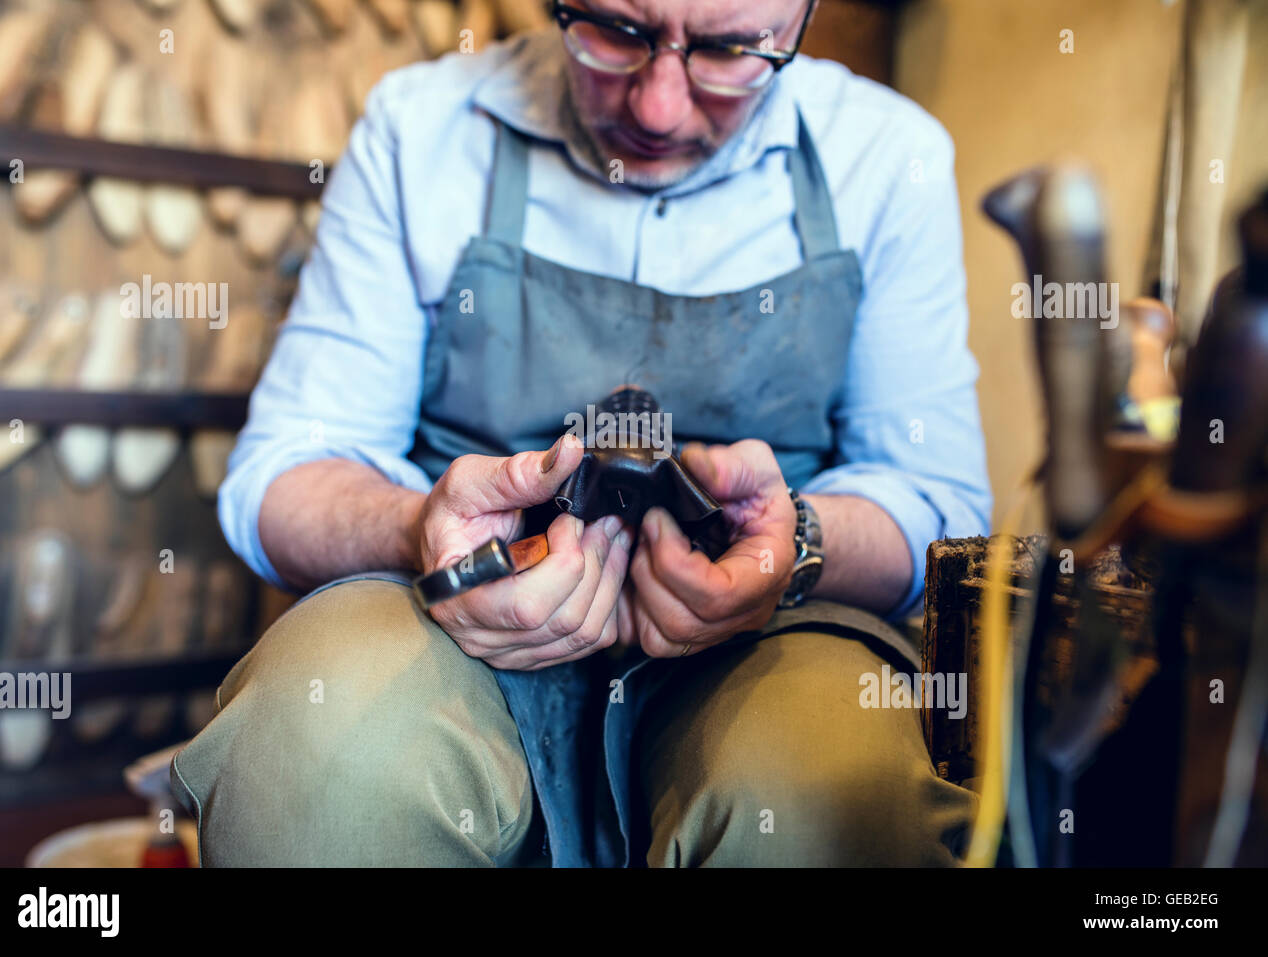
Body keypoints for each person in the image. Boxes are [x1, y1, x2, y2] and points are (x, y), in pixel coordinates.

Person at [170, 0, 991, 867]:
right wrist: (422, 533)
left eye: (729, 49)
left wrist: (800, 543)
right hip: (454, 604)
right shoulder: (420, 128)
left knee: (824, 795)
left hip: (770, 624)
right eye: (615, 30)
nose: (657, 108)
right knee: (317, 754)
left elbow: (938, 501)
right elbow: (282, 473)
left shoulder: (889, 157)